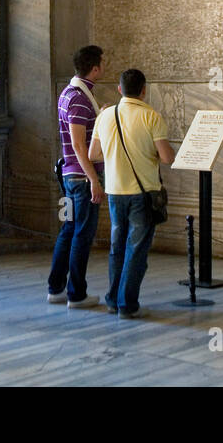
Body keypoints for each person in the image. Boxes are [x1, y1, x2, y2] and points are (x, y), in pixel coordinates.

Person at [89, 68, 174, 319]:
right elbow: (167, 157)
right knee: (136, 250)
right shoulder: (151, 116)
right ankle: (127, 304)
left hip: (115, 191)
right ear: (144, 90)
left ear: (119, 89)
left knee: (117, 248)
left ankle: (113, 300)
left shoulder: (104, 117)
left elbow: (94, 154)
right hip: (142, 193)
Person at [47, 45, 106, 307]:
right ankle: (76, 294)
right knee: (82, 233)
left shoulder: (69, 93)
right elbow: (79, 145)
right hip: (81, 179)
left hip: (71, 176)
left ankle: (56, 288)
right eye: (102, 63)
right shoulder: (80, 99)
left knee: (69, 230)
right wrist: (94, 179)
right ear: (95, 68)